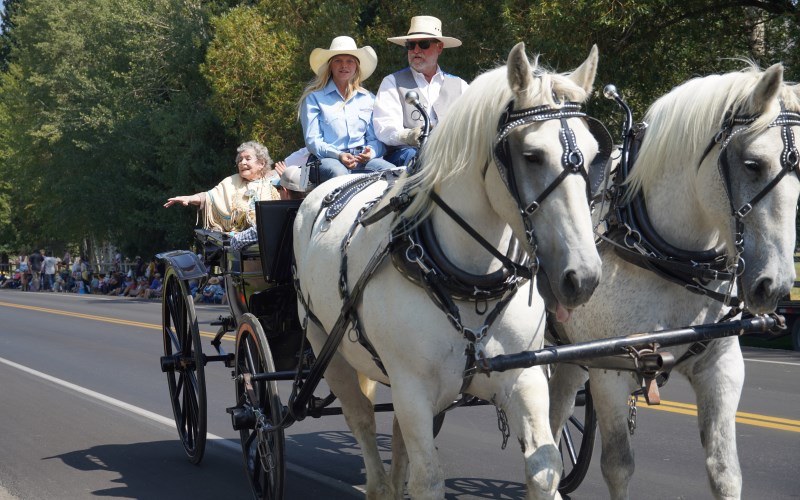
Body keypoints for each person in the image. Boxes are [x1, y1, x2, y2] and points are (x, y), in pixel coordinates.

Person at [373, 16, 469, 167]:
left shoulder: (461, 85)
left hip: (452, 157)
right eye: (411, 45)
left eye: (424, 44)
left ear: (439, 47)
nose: (416, 50)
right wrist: (407, 136)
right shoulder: (392, 82)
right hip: (407, 158)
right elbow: (385, 128)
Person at [298, 36, 394, 183]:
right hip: (328, 159)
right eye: (338, 61)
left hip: (362, 160)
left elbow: (376, 138)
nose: (344, 65)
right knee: (340, 175)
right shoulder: (314, 98)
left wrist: (371, 152)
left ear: (356, 66)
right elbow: (312, 141)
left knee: (395, 173)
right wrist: (339, 155)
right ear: (330, 66)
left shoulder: (369, 98)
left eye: (350, 61)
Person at [164, 141, 283, 249]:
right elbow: (209, 196)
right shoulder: (230, 182)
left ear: (261, 163)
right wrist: (189, 198)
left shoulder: (275, 181)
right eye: (240, 160)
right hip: (242, 246)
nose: (242, 163)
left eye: (248, 158)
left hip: (273, 241)